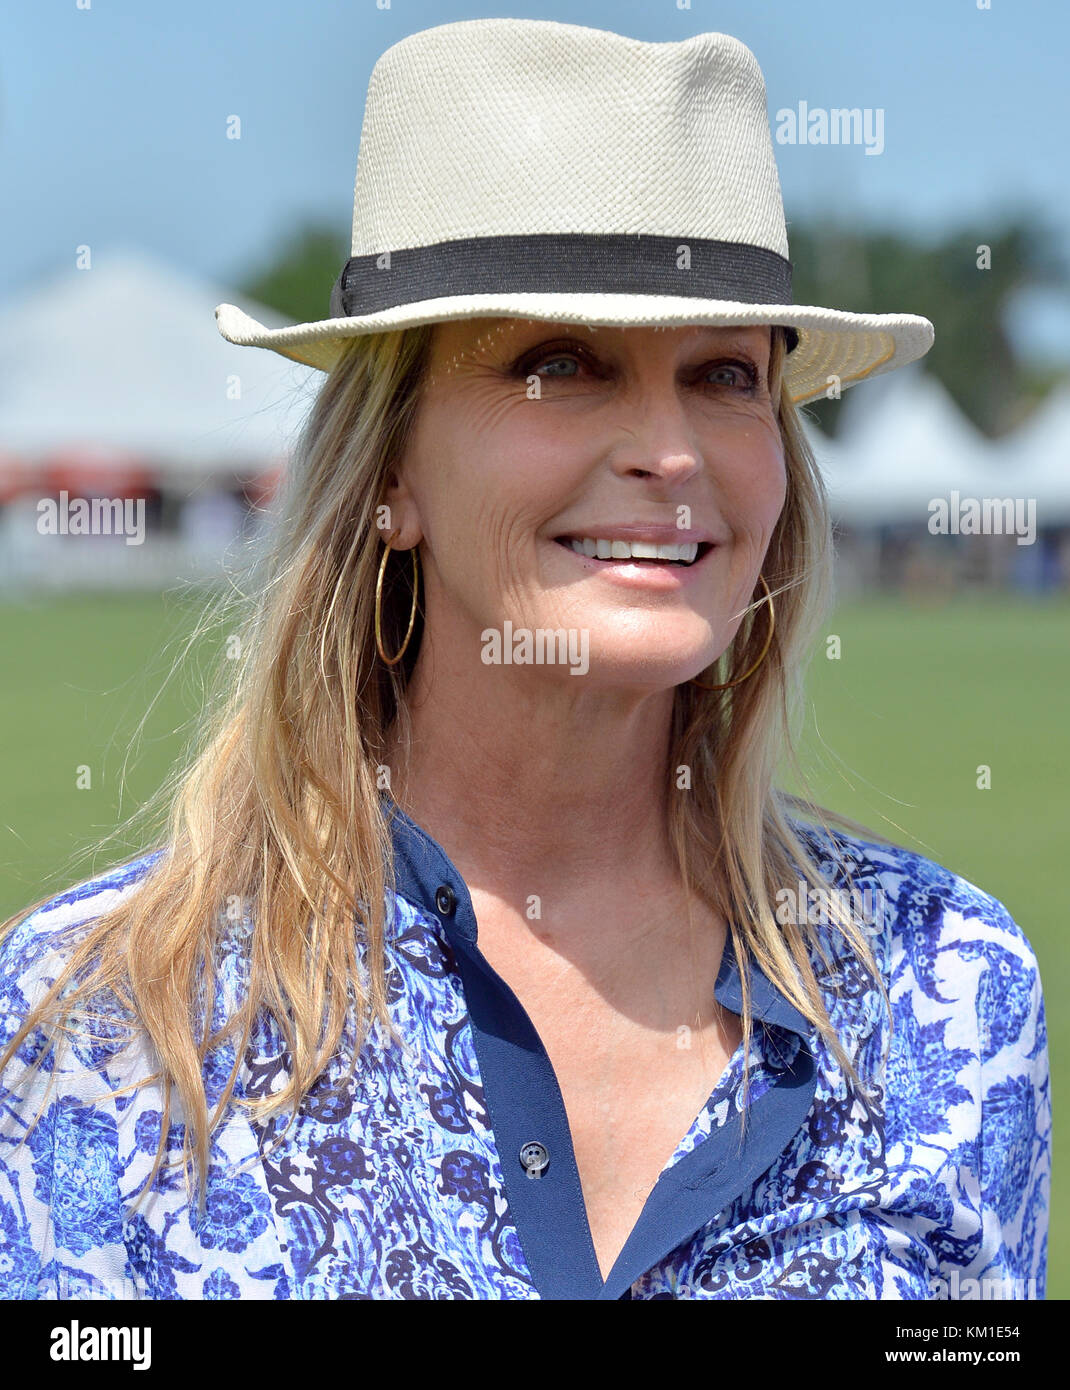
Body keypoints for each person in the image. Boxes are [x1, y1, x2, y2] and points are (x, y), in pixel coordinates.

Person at [0, 18, 1049, 1301]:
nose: (670, 451)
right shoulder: (107, 1017)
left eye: (725, 375)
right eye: (563, 365)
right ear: (390, 472)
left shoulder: (944, 994)